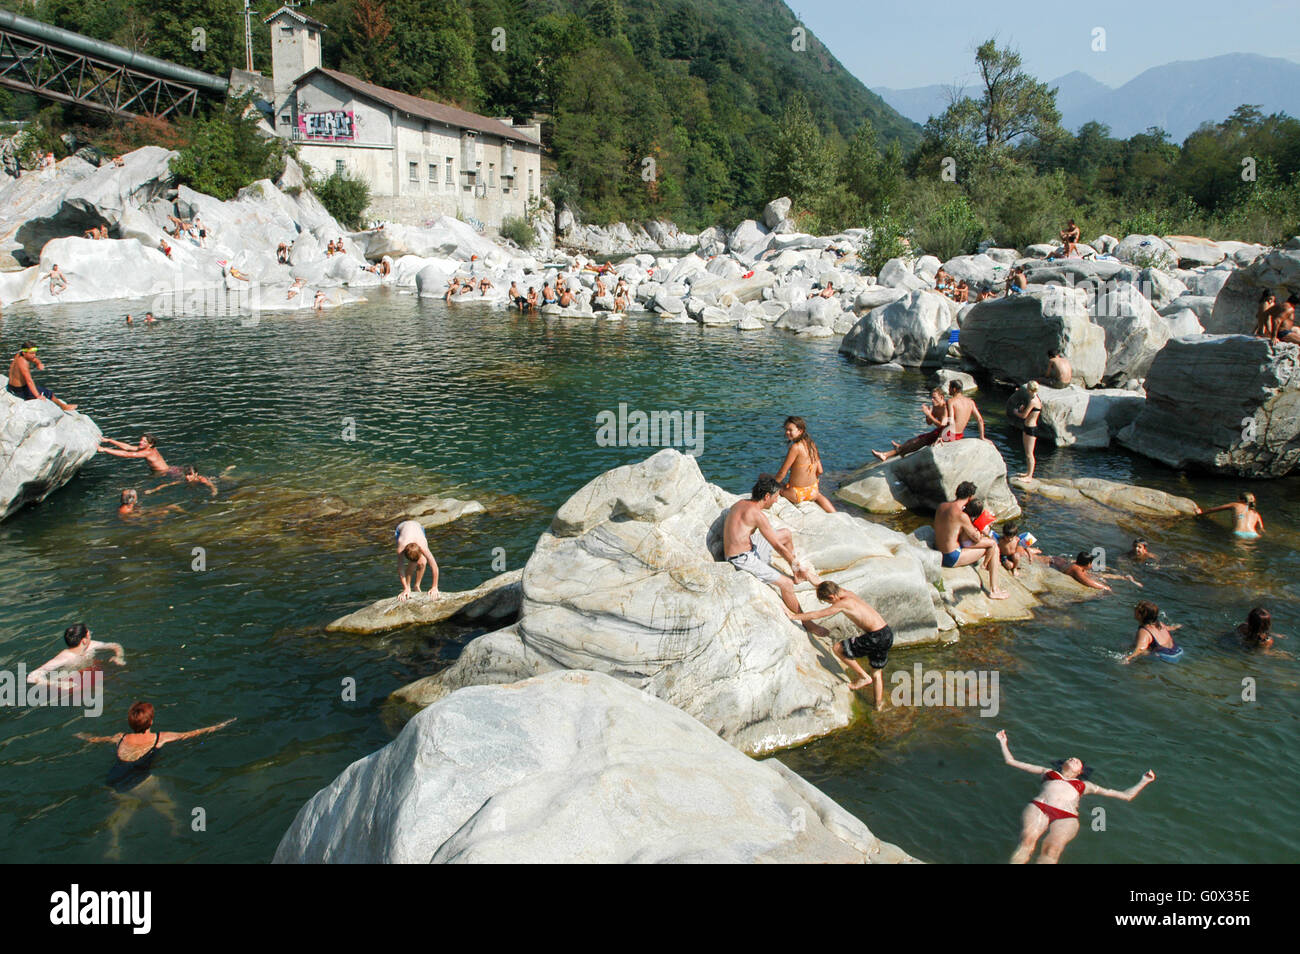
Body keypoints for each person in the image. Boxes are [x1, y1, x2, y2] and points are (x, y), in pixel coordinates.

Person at [996, 729, 1155, 864]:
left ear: (1080, 772)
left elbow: (1126, 796)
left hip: (1067, 817)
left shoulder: (1086, 786)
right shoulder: (1048, 772)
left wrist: (1144, 781)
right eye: (1071, 758)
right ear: (1062, 764)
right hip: (1040, 807)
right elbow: (1011, 761)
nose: (1073, 758)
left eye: (1078, 761)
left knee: (1052, 851)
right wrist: (1003, 742)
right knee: (1027, 841)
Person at [723, 475, 827, 635]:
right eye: (776, 497)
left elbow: (772, 538)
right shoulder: (757, 515)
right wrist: (797, 564)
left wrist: (795, 566)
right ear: (766, 496)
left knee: (785, 534)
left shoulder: (741, 504)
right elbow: (777, 546)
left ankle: (797, 574)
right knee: (786, 584)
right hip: (741, 558)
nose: (777, 501)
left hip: (747, 545)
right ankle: (807, 623)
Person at [76, 702, 234, 794]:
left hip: (112, 779)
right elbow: (191, 734)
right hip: (140, 781)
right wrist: (219, 726)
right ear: (150, 722)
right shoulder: (160, 738)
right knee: (170, 809)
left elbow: (96, 739)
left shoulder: (120, 737)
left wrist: (82, 736)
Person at [785, 581, 893, 710]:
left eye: (828, 602)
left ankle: (863, 677)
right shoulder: (846, 593)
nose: (830, 604)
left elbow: (817, 614)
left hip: (875, 637)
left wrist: (794, 616)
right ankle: (878, 705)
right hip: (886, 633)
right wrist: (811, 580)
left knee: (838, 648)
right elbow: (820, 583)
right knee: (877, 673)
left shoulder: (842, 604)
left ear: (831, 597)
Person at [934, 481, 1008, 598]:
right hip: (951, 557)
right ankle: (994, 590)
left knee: (989, 544)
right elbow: (976, 538)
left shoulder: (942, 506)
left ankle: (988, 567)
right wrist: (981, 526)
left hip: (938, 551)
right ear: (970, 497)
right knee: (993, 546)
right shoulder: (961, 515)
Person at [28, 623, 125, 690]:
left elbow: (115, 645)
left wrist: (119, 657)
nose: (91, 635)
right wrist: (57, 684)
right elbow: (31, 676)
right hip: (71, 680)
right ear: (84, 640)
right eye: (89, 634)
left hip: (88, 672)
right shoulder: (66, 657)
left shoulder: (92, 645)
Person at [871, 388, 950, 462]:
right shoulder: (935, 407)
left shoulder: (945, 407)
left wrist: (929, 415)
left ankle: (887, 454)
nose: (932, 400)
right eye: (931, 398)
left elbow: (942, 425)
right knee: (914, 440)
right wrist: (927, 414)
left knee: (917, 441)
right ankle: (900, 449)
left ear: (941, 397)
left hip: (945, 433)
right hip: (939, 431)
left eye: (934, 398)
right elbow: (929, 423)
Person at [775, 416, 834, 513]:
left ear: (800, 431)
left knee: (766, 477)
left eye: (790, 430)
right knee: (819, 495)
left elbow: (782, 473)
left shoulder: (795, 447)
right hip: (813, 491)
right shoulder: (811, 444)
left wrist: (772, 485)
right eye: (786, 430)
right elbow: (820, 470)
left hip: (797, 494)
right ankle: (835, 513)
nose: (787, 432)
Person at [7, 343, 77, 410]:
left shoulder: (19, 354)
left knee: (40, 388)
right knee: (48, 393)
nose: (34, 355)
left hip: (10, 387)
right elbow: (29, 381)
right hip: (19, 391)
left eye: (35, 352)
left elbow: (34, 359)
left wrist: (38, 363)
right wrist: (38, 396)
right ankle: (64, 407)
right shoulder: (23, 364)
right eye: (31, 353)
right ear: (24, 353)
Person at [395, 519, 439, 602]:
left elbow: (434, 566)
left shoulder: (423, 546)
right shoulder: (401, 547)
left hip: (419, 528)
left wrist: (434, 587)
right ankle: (408, 586)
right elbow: (400, 568)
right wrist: (405, 588)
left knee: (422, 562)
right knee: (413, 564)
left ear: (420, 551)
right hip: (401, 529)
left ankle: (416, 585)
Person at [98, 434, 176, 475]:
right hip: (168, 469)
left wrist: (105, 449)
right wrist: (109, 440)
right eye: (141, 440)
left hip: (162, 472)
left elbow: (126, 454)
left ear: (150, 444)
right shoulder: (149, 448)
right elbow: (128, 447)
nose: (141, 442)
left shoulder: (147, 452)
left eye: (144, 442)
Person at [1011, 381, 1043, 479]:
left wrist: (1016, 412)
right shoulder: (1034, 399)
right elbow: (1027, 410)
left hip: (1031, 429)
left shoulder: (1034, 401)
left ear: (1029, 389)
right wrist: (1022, 407)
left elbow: (1024, 415)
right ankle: (1028, 473)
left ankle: (1029, 476)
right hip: (1028, 427)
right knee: (1027, 453)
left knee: (1029, 454)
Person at [1195, 492, 1263, 539]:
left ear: (1241, 500)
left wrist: (1200, 513)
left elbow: (1212, 510)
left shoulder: (1235, 505)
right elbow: (1261, 529)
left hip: (1239, 533)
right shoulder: (1256, 513)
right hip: (1254, 535)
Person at [1049, 551, 1113, 592]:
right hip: (1053, 566)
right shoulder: (1076, 569)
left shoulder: (1076, 564)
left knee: (1098, 575)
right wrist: (1104, 587)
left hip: (1055, 562)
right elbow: (1086, 581)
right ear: (1088, 564)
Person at [145, 465, 218, 497]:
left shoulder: (202, 480)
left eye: (190, 475)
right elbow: (169, 484)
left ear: (196, 474)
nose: (187, 477)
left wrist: (214, 491)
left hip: (214, 478)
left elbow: (211, 485)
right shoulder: (185, 480)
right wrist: (153, 490)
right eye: (186, 474)